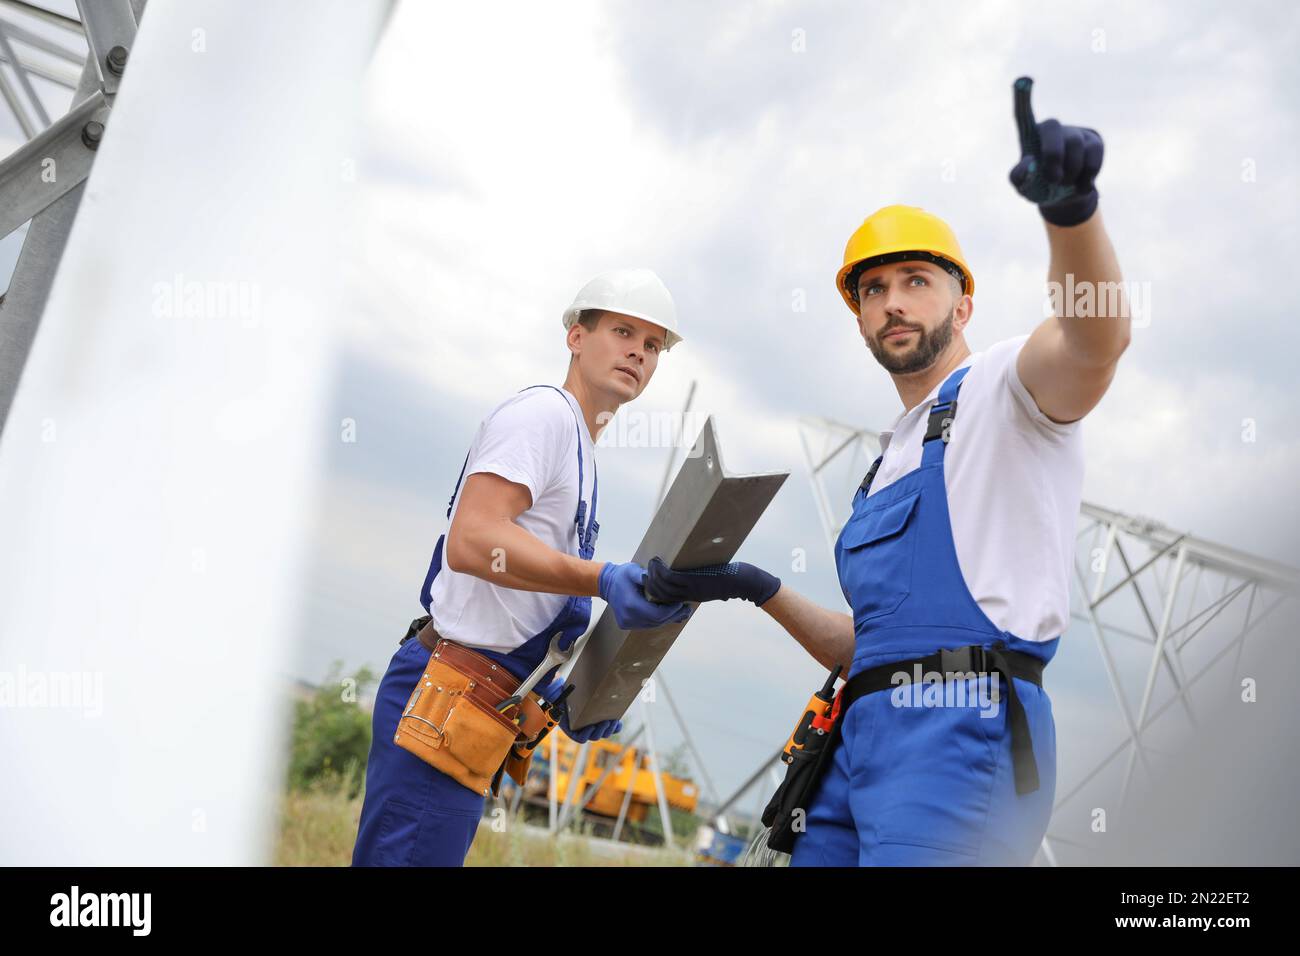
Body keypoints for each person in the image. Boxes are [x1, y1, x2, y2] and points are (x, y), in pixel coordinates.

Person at [647, 79, 1129, 865]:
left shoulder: (1007, 392)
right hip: (858, 742)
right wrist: (757, 586)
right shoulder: (885, 461)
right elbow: (871, 649)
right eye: (874, 290)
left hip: (962, 738)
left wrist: (1071, 212)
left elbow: (1093, 342)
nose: (892, 303)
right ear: (860, 316)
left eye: (916, 282)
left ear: (962, 304)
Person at [353, 269, 692, 866]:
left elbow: (515, 597)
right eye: (622, 330)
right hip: (448, 693)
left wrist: (558, 691)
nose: (639, 350)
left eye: (654, 344)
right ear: (575, 337)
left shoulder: (581, 444)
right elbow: (475, 540)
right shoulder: (545, 416)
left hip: (480, 700)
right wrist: (603, 577)